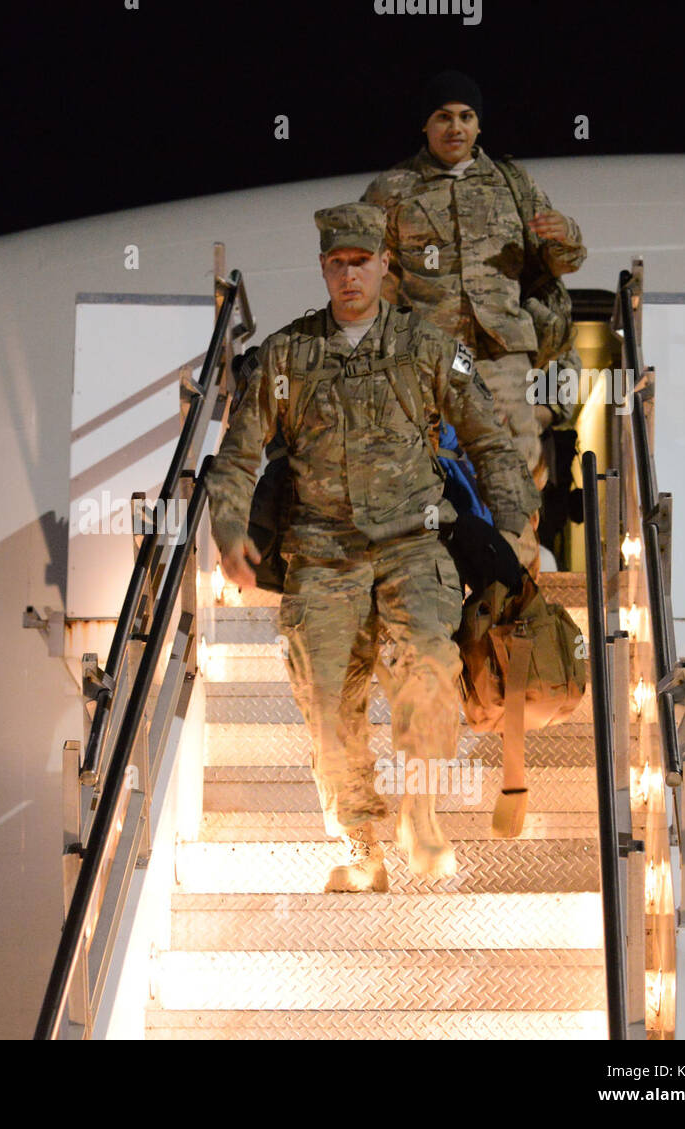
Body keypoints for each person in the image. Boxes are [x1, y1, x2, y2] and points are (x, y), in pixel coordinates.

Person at [205, 202, 540, 892]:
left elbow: (486, 435)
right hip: (320, 552)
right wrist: (230, 532)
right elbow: (237, 456)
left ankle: (420, 808)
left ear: (385, 266)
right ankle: (362, 846)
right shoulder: (287, 355)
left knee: (428, 668)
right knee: (327, 704)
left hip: (413, 542)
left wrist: (514, 528)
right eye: (338, 263)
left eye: (362, 261)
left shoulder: (426, 347)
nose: (350, 275)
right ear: (324, 268)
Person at [361, 70, 587, 491]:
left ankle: (514, 549)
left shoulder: (510, 184)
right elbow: (373, 269)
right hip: (428, 354)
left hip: (500, 348)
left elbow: (560, 263)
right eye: (444, 117)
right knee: (427, 463)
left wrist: (565, 234)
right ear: (425, 124)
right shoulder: (392, 190)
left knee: (514, 458)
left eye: (466, 117)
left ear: (478, 125)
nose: (455, 127)